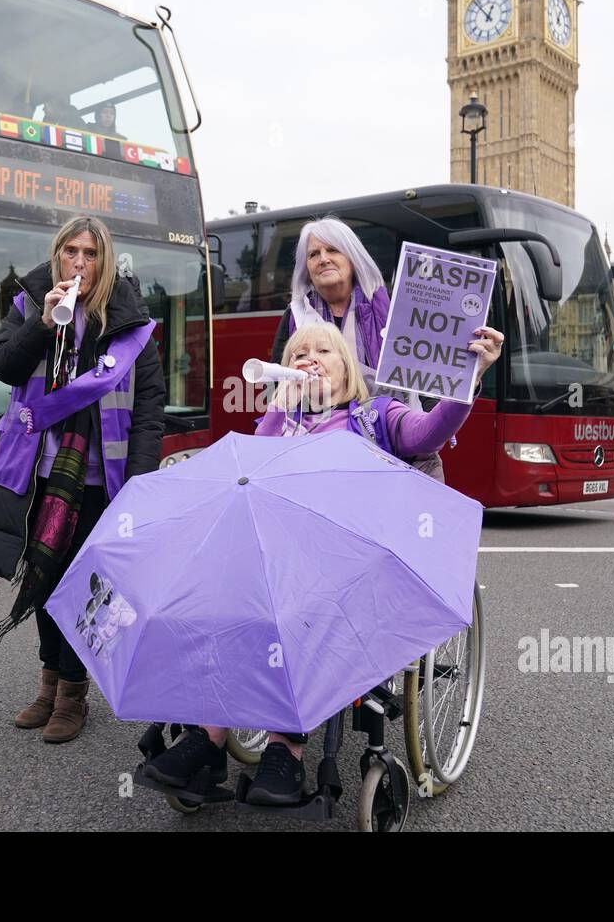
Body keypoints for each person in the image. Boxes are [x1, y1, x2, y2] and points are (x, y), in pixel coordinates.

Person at [139, 319, 504, 804]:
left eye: (323, 352)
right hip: (274, 563)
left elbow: (429, 433)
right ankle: (206, 737)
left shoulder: (375, 416)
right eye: (296, 354)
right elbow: (245, 478)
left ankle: (284, 749)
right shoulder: (279, 424)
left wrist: (471, 375)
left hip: (351, 567)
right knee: (219, 592)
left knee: (292, 610)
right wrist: (277, 411)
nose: (308, 359)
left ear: (347, 368)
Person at [0, 215, 166, 743]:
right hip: (41, 470)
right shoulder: (31, 303)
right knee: (45, 576)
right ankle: (49, 684)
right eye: (70, 251)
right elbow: (4, 366)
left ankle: (74, 695)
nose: (79, 262)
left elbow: (149, 407)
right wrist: (43, 324)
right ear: (58, 255)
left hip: (103, 475)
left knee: (81, 587)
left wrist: (141, 482)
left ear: (104, 260)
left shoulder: (130, 321)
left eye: (90, 253)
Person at [270, 217, 444, 479]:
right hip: (322, 451)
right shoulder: (294, 316)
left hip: (395, 446)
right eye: (314, 254)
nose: (323, 259)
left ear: (352, 258)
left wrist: (431, 428)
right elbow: (278, 383)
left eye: (333, 250)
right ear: (306, 267)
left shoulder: (396, 309)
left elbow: (425, 378)